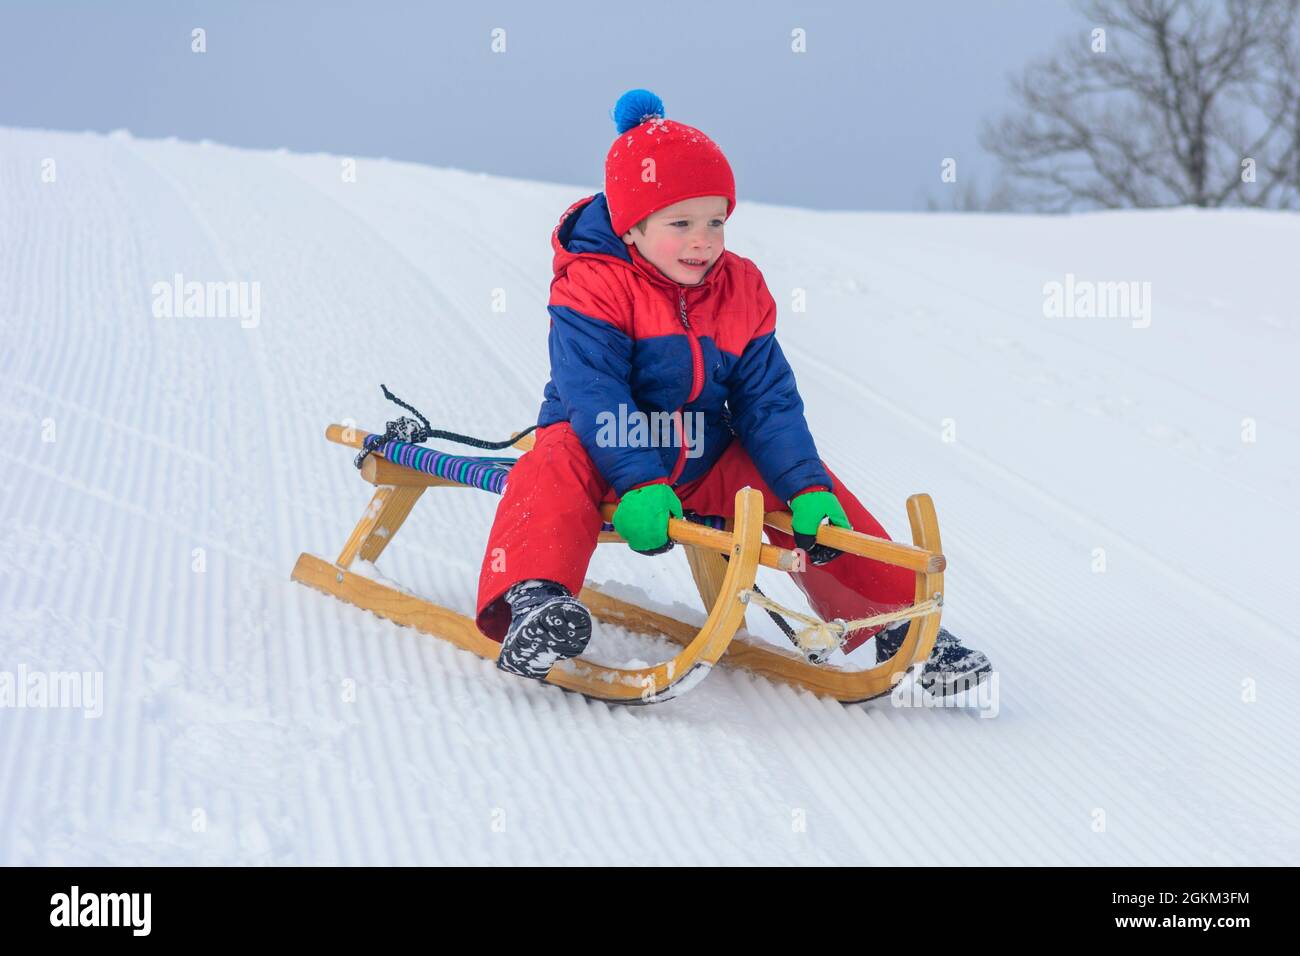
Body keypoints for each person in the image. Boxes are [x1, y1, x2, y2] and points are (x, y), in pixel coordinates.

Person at [475, 89, 991, 696]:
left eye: (716, 221)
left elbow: (767, 402)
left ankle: (898, 626)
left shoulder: (738, 289)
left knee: (798, 481)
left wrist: (805, 488)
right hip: (598, 444)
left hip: (696, 448)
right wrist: (639, 481)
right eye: (681, 223)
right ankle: (535, 605)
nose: (703, 241)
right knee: (549, 467)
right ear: (631, 227)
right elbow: (594, 394)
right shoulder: (594, 284)